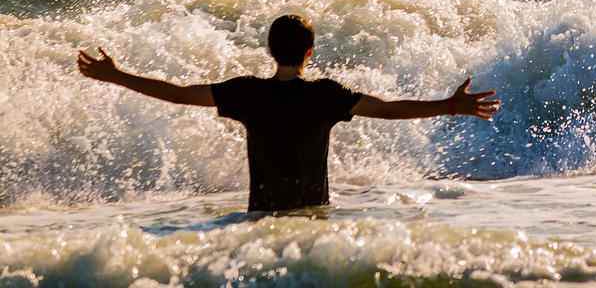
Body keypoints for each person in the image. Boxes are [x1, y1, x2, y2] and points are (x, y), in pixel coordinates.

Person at [77, 14, 500, 213]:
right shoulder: (325, 96)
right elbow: (388, 110)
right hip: (313, 221)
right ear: (310, 53)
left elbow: (178, 95)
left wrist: (117, 76)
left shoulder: (247, 94)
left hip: (260, 221)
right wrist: (449, 106)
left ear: (269, 51)